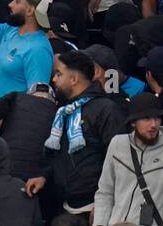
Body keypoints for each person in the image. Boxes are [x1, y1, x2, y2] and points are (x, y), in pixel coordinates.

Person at [34, 49, 127, 216]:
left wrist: (105, 202)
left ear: (74, 79)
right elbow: (57, 156)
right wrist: (43, 176)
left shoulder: (106, 109)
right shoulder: (63, 112)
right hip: (65, 205)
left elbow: (119, 160)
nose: (54, 79)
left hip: (95, 208)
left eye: (59, 74)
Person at [94, 93, 163, 226]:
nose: (153, 124)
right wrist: (99, 225)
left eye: (157, 118)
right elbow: (105, 191)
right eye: (146, 119)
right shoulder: (117, 144)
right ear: (133, 122)